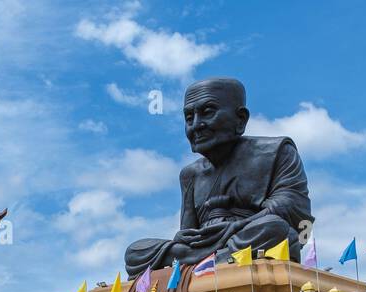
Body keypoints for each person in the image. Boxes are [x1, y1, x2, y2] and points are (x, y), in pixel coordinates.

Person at [124, 77, 313, 277]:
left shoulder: (277, 151)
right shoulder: (190, 174)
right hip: (204, 247)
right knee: (136, 252)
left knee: (275, 229)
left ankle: (205, 265)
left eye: (207, 113)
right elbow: (189, 233)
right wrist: (184, 238)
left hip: (248, 235)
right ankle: (212, 262)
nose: (196, 125)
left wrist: (234, 227)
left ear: (240, 119)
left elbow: (293, 209)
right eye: (189, 118)